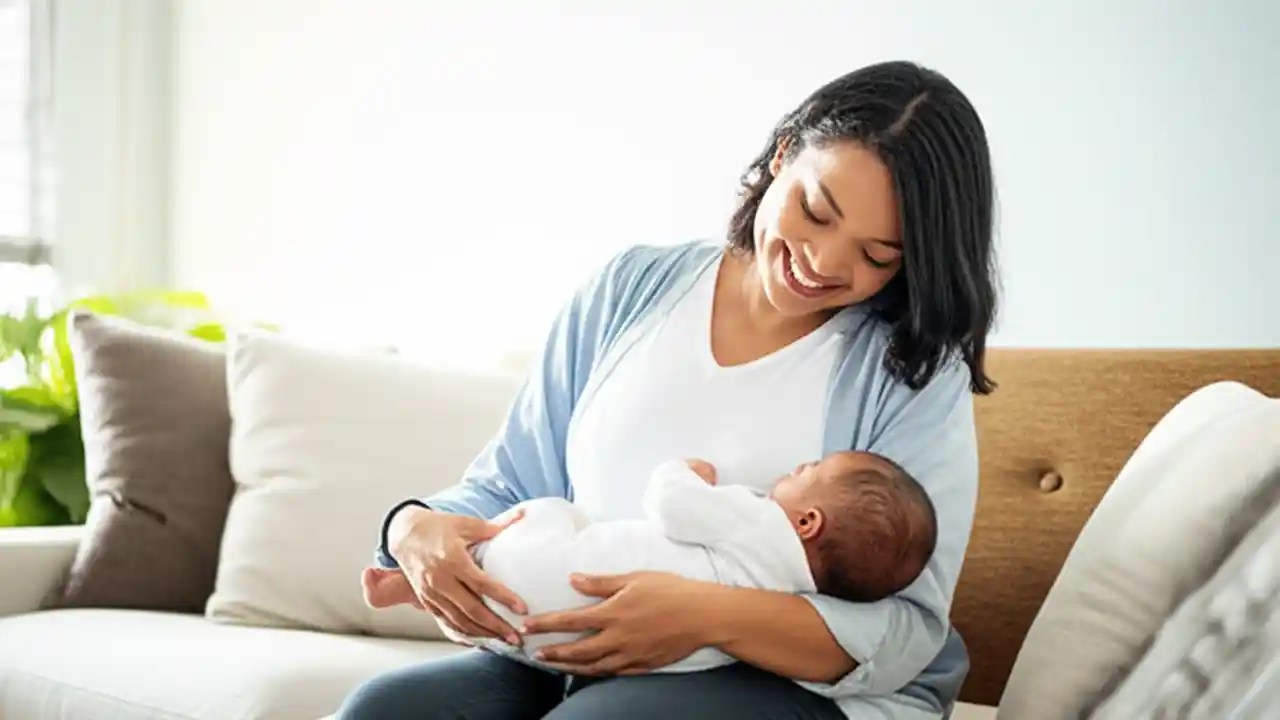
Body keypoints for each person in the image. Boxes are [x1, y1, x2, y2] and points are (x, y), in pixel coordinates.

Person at [338, 59, 996, 719]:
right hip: (569, 647)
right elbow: (510, 484)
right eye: (815, 211)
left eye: (877, 255)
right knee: (383, 709)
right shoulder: (632, 288)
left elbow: (908, 628)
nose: (824, 263)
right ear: (785, 153)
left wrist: (708, 616)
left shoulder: (909, 368)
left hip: (775, 682)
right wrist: (411, 526)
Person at [361, 450, 939, 674]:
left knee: (549, 511)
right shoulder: (792, 594)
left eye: (806, 473)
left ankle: (404, 591)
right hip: (584, 648)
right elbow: (503, 471)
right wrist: (409, 524)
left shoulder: (759, 519)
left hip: (552, 573)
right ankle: (411, 585)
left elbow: (670, 505)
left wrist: (690, 473)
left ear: (808, 522)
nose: (791, 473)